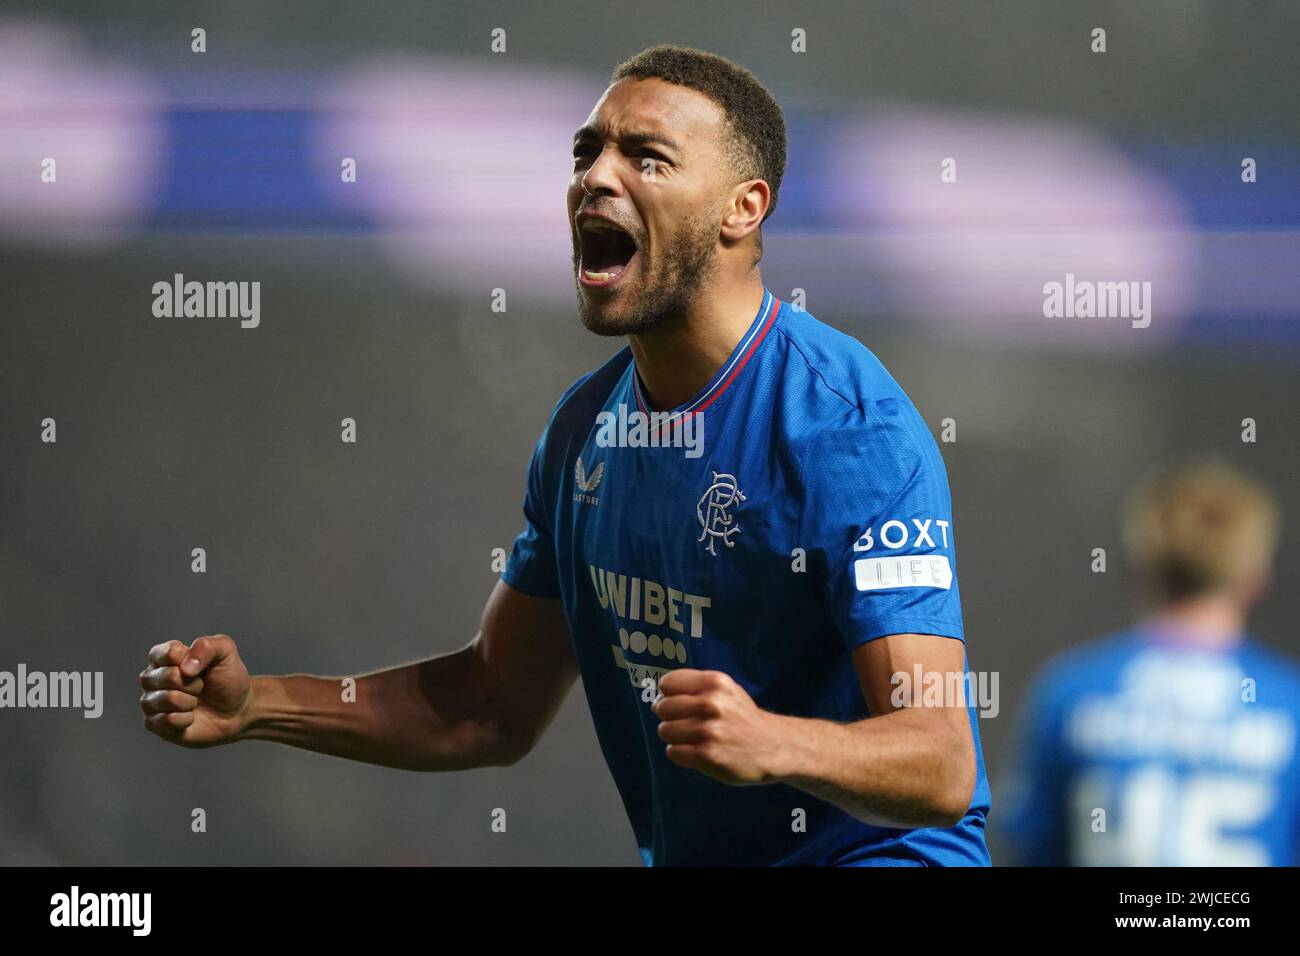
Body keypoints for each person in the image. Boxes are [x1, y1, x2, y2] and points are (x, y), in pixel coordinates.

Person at [140, 44, 989, 866]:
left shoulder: (845, 431)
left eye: (647, 158)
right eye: (588, 151)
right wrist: (258, 706)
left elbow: (941, 761)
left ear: (743, 208)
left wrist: (775, 743)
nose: (596, 176)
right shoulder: (584, 435)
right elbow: (489, 705)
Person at [1002, 460, 1300, 865]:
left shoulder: (1074, 692)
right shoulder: (1288, 705)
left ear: (1138, 566)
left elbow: (1031, 846)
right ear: (1255, 575)